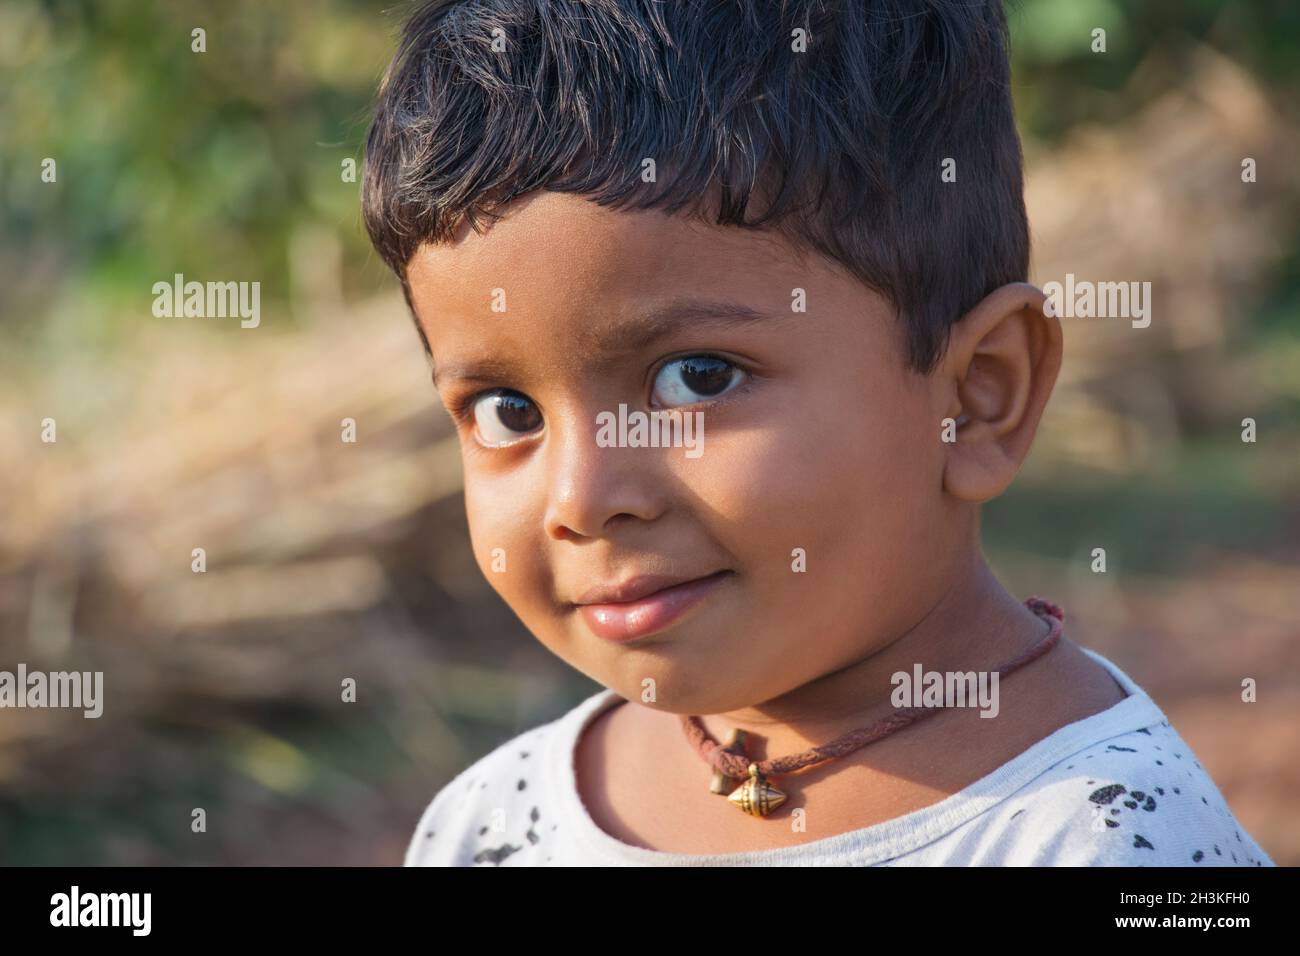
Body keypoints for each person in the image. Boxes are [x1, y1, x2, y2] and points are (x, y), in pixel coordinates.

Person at [360, 0, 1275, 866]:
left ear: (981, 396)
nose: (582, 500)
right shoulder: (492, 823)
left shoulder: (1112, 840)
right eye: (506, 411)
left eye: (698, 379)